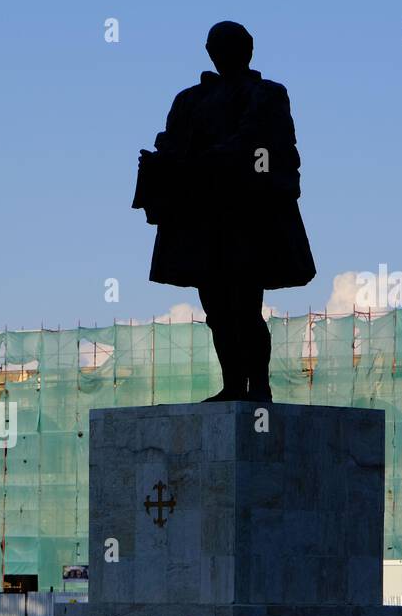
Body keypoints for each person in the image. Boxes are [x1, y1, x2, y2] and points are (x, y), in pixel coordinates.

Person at [134, 20, 316, 402]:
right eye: (217, 45)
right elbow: (171, 139)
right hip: (201, 217)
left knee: (244, 305)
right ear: (208, 51)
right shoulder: (188, 99)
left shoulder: (267, 93)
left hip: (247, 215)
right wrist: (162, 160)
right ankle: (234, 384)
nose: (225, 51)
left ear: (249, 48)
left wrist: (205, 161)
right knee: (215, 308)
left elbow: (260, 144)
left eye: (233, 43)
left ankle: (259, 386)